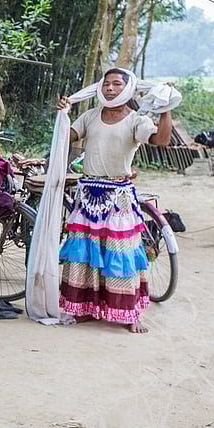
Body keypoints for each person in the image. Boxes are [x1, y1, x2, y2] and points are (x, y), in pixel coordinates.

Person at [55, 68, 172, 334]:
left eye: (117, 84)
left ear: (128, 88)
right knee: (85, 254)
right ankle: (84, 308)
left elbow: (161, 140)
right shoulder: (90, 116)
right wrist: (62, 113)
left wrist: (167, 110)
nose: (110, 88)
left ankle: (129, 313)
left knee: (121, 254)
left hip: (118, 198)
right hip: (88, 195)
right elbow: (64, 138)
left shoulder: (136, 120)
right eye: (106, 83)